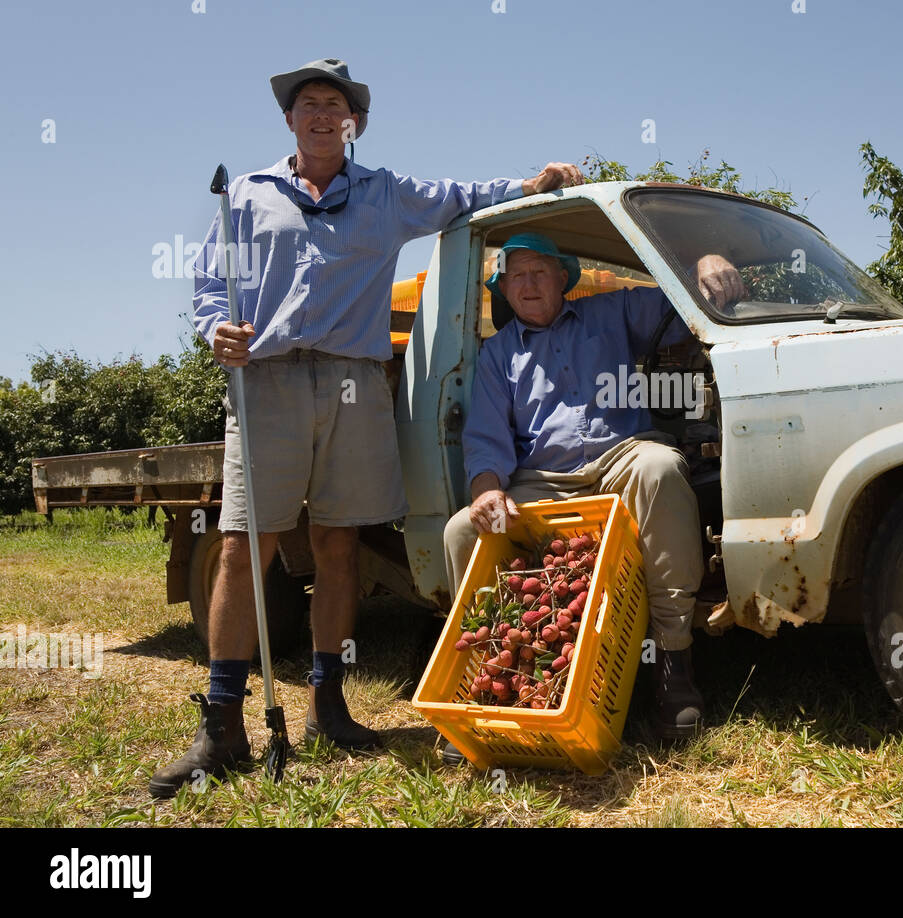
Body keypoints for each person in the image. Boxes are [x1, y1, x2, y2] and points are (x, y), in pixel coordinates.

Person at [148, 59, 583, 800]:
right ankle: (221, 724)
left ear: (356, 124)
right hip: (267, 381)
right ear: (290, 119)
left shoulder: (386, 194)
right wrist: (214, 326)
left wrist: (534, 182)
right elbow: (210, 282)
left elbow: (465, 198)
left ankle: (329, 705)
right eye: (309, 104)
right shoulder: (247, 196)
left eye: (336, 106)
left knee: (341, 542)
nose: (322, 115)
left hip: (356, 381)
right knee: (242, 542)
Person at [442, 232, 743, 751]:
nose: (528, 284)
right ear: (504, 288)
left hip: (619, 457)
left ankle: (673, 663)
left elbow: (683, 297)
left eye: (540, 271)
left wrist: (705, 263)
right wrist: (488, 491)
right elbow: (486, 442)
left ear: (563, 278)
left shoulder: (610, 314)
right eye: (516, 275)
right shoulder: (496, 357)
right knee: (461, 530)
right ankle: (494, 679)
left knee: (660, 469)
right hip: (543, 480)